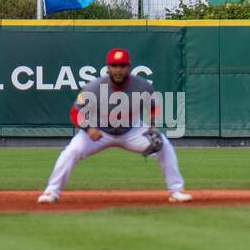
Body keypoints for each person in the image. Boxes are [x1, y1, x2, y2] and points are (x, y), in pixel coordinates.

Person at [37, 47, 191, 204]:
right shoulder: (94, 87)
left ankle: (176, 191)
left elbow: (153, 106)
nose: (118, 70)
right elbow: (75, 113)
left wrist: (152, 126)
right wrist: (89, 129)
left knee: (164, 146)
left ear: (128, 67)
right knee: (72, 151)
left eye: (122, 66)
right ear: (108, 68)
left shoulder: (142, 86)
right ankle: (51, 191)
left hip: (131, 130)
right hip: (99, 131)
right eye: (114, 66)